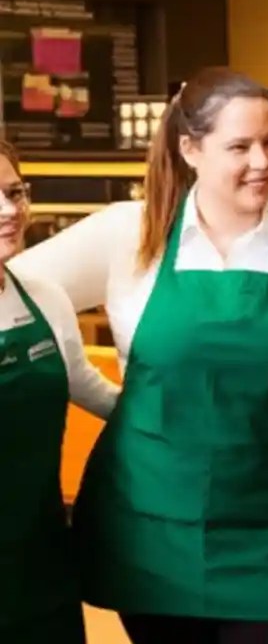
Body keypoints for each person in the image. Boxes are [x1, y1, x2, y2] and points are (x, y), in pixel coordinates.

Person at [9, 67, 268, 644]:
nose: (263, 161)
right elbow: (23, 291)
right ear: (191, 149)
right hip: (147, 526)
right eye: (240, 146)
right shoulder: (131, 232)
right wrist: (117, 405)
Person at [0, 141, 118, 644]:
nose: (9, 211)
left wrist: (167, 411)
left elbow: (85, 386)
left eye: (14, 192)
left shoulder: (43, 296)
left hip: (41, 564)